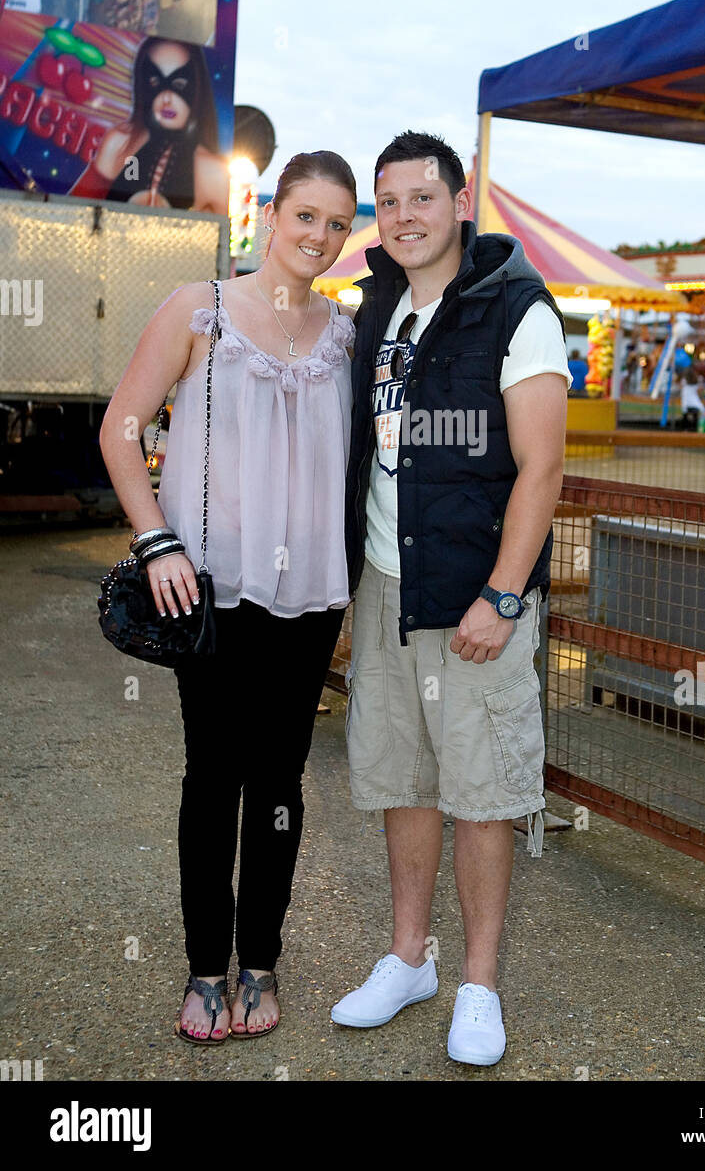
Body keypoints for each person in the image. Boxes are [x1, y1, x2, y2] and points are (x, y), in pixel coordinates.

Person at [99, 150, 357, 1043]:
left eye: (336, 223)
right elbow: (121, 428)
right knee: (215, 775)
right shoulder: (198, 309)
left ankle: (262, 964)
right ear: (270, 213)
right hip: (210, 585)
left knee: (281, 777)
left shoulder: (346, 335)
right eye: (305, 217)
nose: (319, 237)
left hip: (312, 593)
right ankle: (206, 970)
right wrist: (155, 539)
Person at [331, 130, 569, 1066]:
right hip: (387, 586)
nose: (403, 217)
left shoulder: (516, 309)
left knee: (482, 791)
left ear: (459, 203)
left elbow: (543, 470)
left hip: (476, 598)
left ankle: (478, 981)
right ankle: (408, 959)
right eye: (387, 203)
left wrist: (503, 598)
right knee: (404, 782)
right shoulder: (376, 306)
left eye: (421, 199)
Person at [71, 37, 228, 211]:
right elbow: (72, 211)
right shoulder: (119, 143)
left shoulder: (212, 170)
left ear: (197, 89)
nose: (167, 98)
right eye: (155, 82)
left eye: (179, 84)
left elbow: (224, 234)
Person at [678, 366, 705, 430]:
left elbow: (680, 387)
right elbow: (700, 390)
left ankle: (685, 429)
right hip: (694, 402)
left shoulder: (684, 381)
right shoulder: (697, 380)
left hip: (686, 403)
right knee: (697, 414)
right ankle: (695, 428)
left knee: (685, 415)